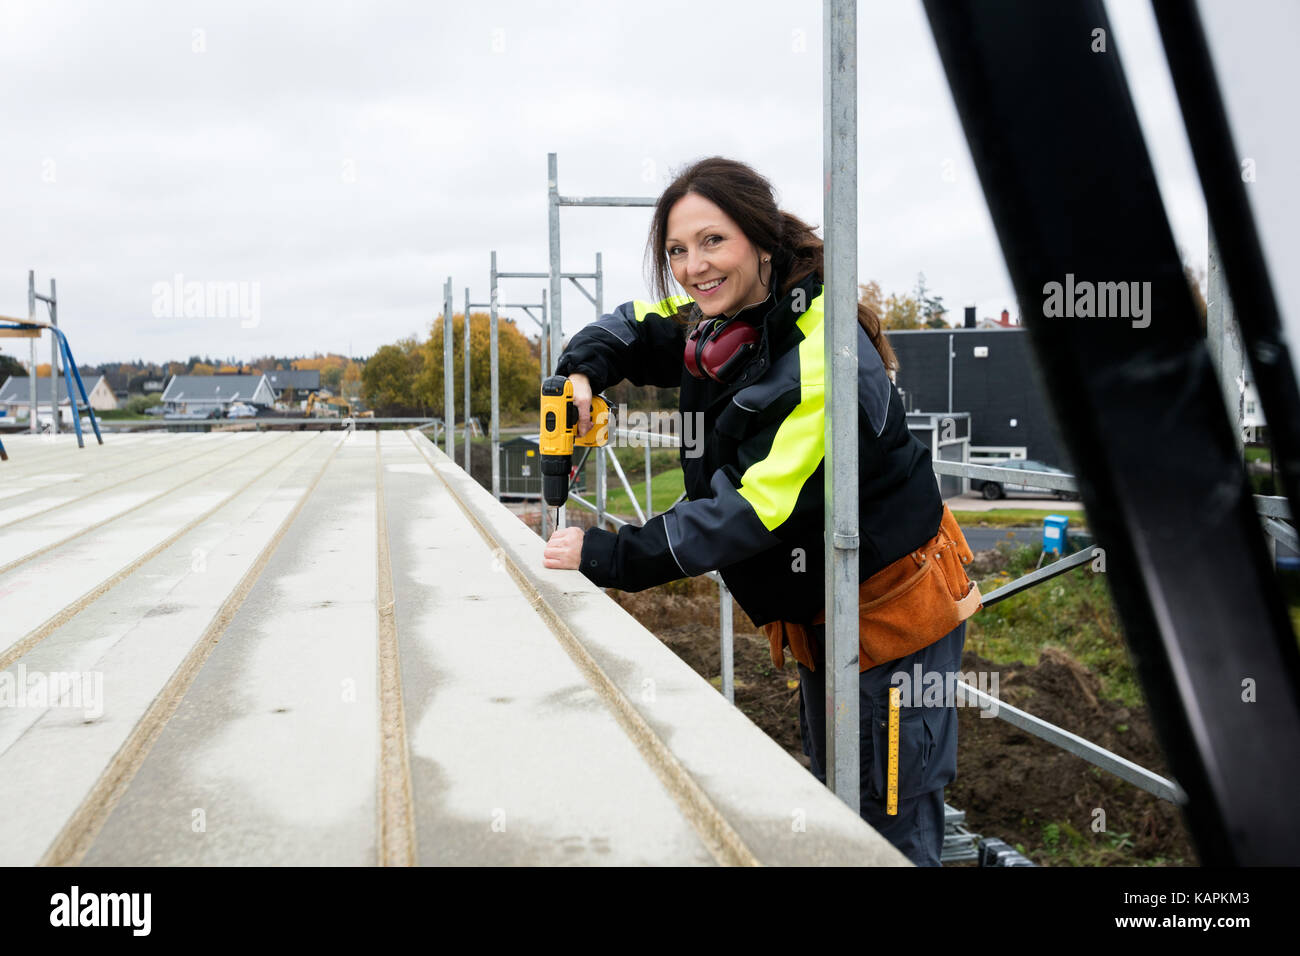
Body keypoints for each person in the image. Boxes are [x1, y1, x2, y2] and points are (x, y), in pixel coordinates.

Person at [542, 157, 979, 866]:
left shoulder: (825, 357)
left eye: (713, 242)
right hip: (827, 607)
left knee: (883, 818)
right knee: (842, 789)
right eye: (677, 251)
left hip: (889, 609)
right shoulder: (730, 317)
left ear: (761, 241)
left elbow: (748, 508)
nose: (692, 267)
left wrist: (609, 555)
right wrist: (582, 369)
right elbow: (638, 326)